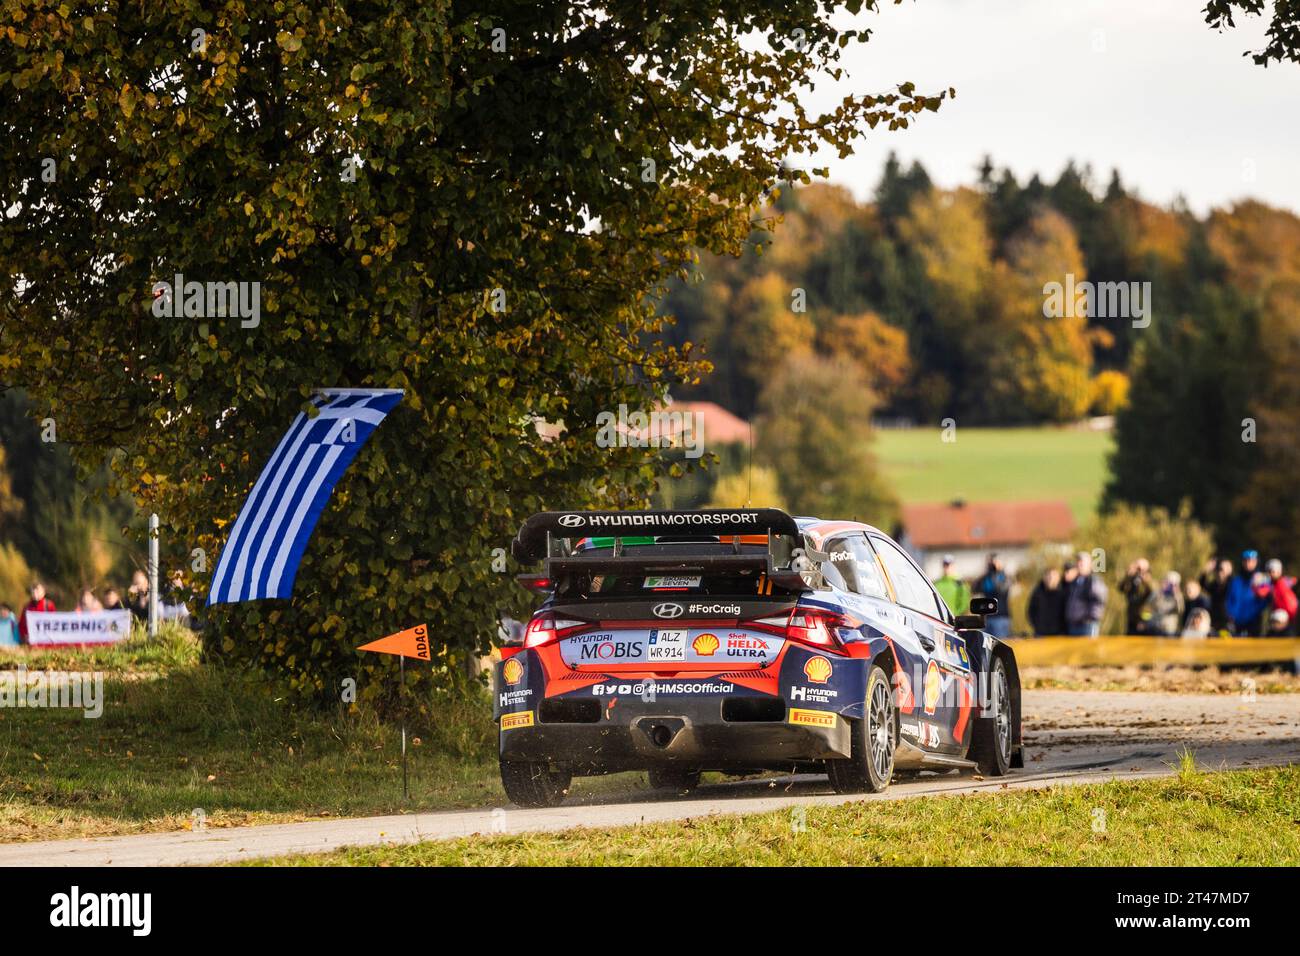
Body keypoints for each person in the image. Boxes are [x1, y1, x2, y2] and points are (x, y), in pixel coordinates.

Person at [1226, 550, 1269, 636]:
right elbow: (1230, 599)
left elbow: (1265, 600)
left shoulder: (1262, 579)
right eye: (1246, 560)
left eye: (1252, 561)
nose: (1248, 563)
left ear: (1257, 562)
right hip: (1236, 622)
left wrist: (1260, 587)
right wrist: (1231, 615)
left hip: (1254, 621)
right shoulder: (1236, 581)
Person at [1065, 551, 1107, 637]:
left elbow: (1100, 600)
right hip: (1073, 624)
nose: (1079, 564)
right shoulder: (1076, 580)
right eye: (1078, 562)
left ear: (1090, 564)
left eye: (1082, 562)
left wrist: (1091, 618)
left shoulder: (1094, 580)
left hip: (1087, 625)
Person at [974, 554, 1012, 638]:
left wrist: (996, 573)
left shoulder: (1004, 577)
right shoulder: (985, 578)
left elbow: (1001, 590)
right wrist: (984, 573)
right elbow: (975, 589)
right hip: (987, 617)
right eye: (990, 562)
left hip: (1001, 617)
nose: (992, 564)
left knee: (1000, 645)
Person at [1258, 559, 1297, 636]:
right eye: (1268, 572)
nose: (1270, 574)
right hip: (1281, 617)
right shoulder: (1273, 585)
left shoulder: (1282, 584)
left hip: (1284, 619)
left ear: (1279, 572)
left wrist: (1287, 618)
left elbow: (1291, 605)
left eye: (1272, 571)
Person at [1027, 567, 1067, 636]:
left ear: (1058, 578)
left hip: (1058, 634)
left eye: (1054, 576)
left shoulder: (1063, 593)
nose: (1051, 579)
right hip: (1040, 634)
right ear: (1044, 578)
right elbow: (1030, 611)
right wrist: (1037, 626)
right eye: (1049, 576)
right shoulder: (1037, 592)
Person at [1145, 570, 1184, 637]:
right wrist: (1160, 593)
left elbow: (1180, 610)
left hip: (1169, 628)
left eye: (1173, 584)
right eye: (1167, 582)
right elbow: (1147, 607)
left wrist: (1177, 596)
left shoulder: (1178, 596)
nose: (1169, 586)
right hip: (1154, 626)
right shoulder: (1156, 593)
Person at [1119, 559, 1153, 635]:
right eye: (1137, 568)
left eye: (1140, 568)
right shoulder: (1132, 580)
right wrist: (1128, 575)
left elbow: (1149, 594)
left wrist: (1145, 579)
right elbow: (1121, 588)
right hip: (1131, 617)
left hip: (1143, 618)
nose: (1139, 571)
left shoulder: (1149, 580)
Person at [1204, 559, 1233, 632]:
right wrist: (1206, 571)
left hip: (1227, 619)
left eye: (1222, 570)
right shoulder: (1214, 585)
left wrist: (1228, 573)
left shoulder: (1232, 584)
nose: (1221, 572)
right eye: (1219, 569)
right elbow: (1202, 583)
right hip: (1214, 619)